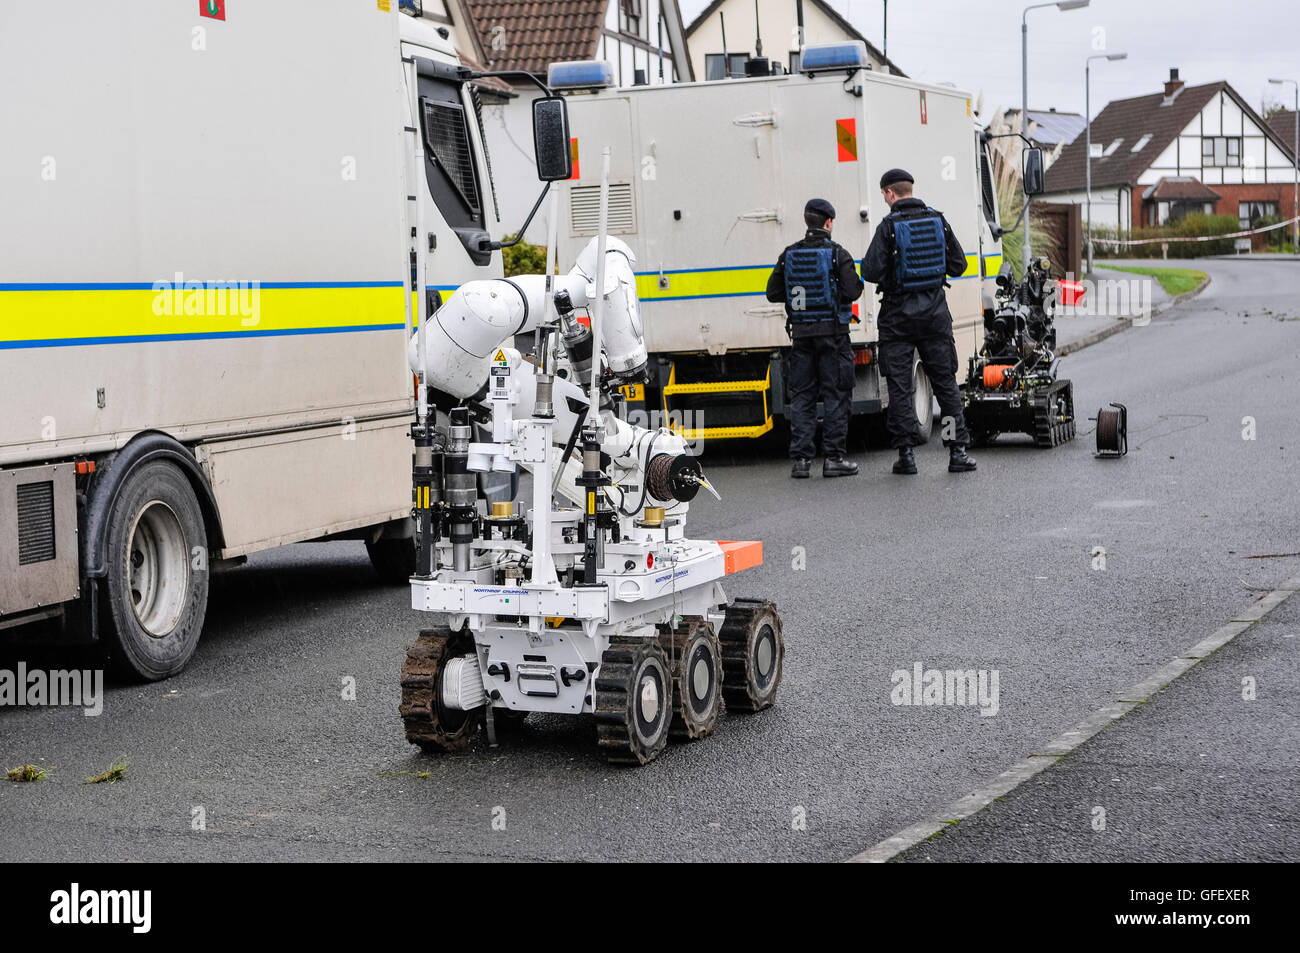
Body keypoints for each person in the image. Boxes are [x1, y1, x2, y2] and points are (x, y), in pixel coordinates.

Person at [862, 169, 977, 475]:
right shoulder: (938, 220)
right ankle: (957, 452)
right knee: (946, 386)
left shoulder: (888, 227)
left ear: (890, 194)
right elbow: (959, 264)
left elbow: (870, 271)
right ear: (911, 190)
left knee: (900, 390)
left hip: (897, 320)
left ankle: (906, 455)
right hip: (935, 317)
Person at [766, 198, 864, 478]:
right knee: (835, 395)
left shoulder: (789, 254)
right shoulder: (837, 254)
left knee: (803, 397)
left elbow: (773, 293)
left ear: (806, 221)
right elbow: (853, 291)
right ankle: (833, 458)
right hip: (833, 336)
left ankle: (801, 461)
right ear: (829, 223)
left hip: (802, 337)